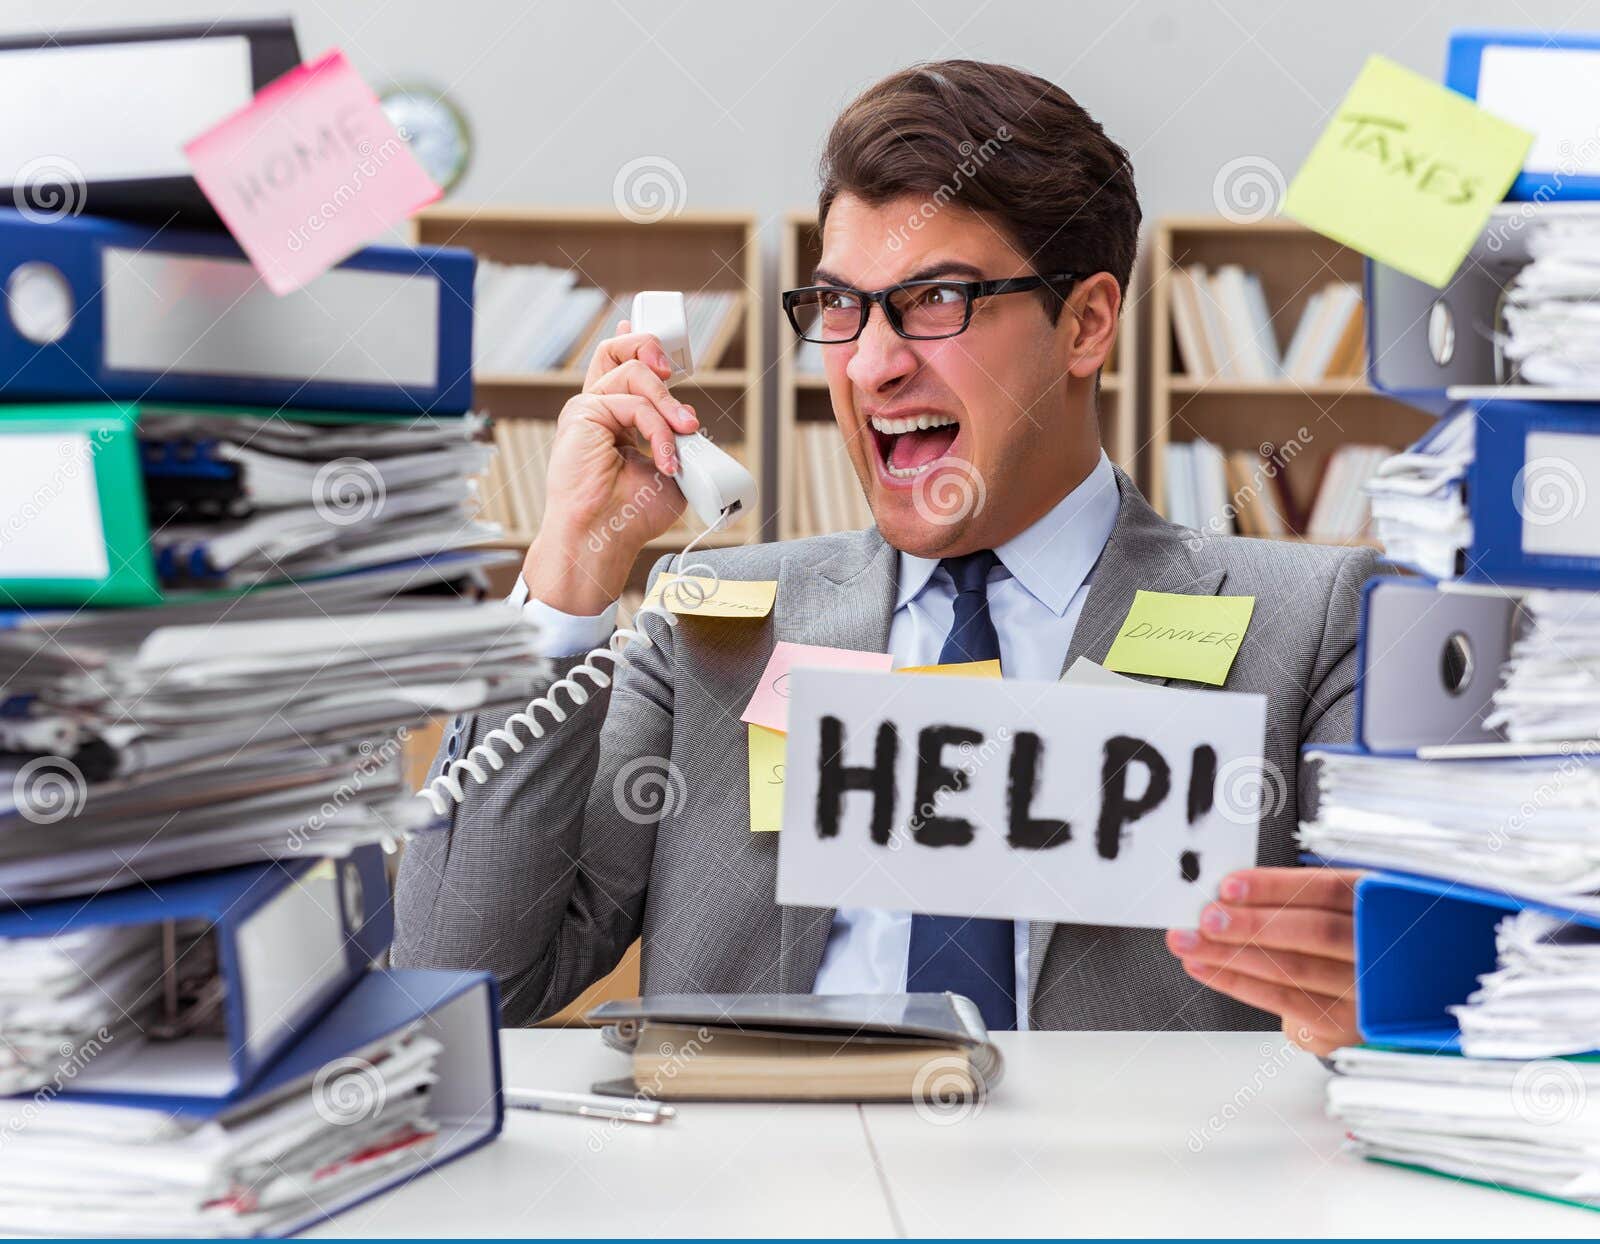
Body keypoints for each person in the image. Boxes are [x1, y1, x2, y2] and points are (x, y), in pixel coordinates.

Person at [394, 60, 1370, 1054]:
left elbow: (1404, 993)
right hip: (767, 1155)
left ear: (1085, 324)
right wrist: (571, 562)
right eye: (840, 306)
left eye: (937, 298)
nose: (869, 364)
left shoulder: (1313, 623)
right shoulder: (710, 626)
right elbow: (459, 978)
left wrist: (1370, 999)